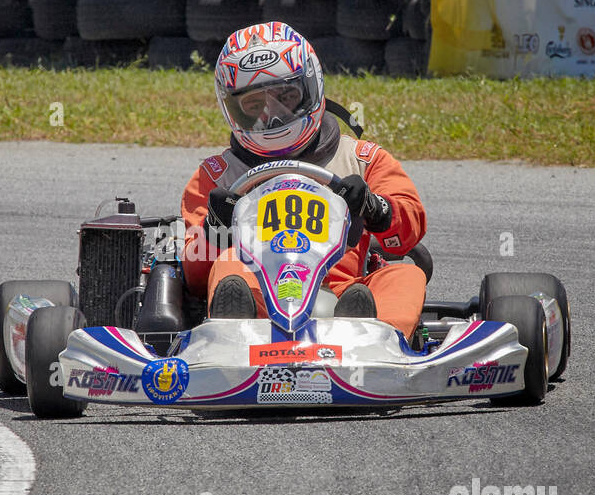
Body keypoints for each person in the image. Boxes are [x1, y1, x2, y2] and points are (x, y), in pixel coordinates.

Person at [179, 21, 427, 338]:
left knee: (405, 275)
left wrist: (374, 207)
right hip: (261, 297)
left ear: (311, 88)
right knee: (229, 263)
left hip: (344, 291)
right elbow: (195, 279)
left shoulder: (362, 160)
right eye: (255, 105)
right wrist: (215, 229)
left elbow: (409, 232)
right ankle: (234, 338)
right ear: (232, 109)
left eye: (285, 96)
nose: (273, 115)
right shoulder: (216, 177)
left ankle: (375, 340)